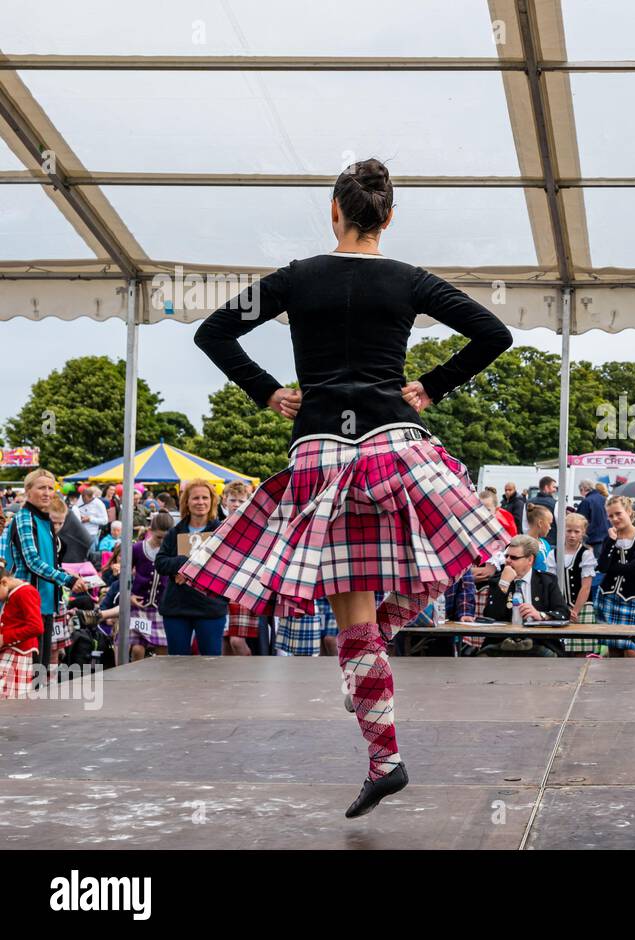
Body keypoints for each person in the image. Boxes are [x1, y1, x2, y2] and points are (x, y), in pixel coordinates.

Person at [176, 157, 512, 817]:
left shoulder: (297, 279)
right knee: (449, 550)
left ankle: (385, 754)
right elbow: (493, 334)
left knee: (350, 617)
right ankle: (379, 659)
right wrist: (432, 385)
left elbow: (212, 332)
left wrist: (268, 391)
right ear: (388, 217)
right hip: (394, 447)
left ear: (333, 212)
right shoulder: (409, 280)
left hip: (323, 455)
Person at [1, 469, 86, 678]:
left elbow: (50, 563)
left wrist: (69, 577)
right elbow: (32, 562)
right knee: (26, 671)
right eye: (41, 488)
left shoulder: (45, 520)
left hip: (45, 603)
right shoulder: (24, 518)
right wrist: (68, 579)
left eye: (50, 488)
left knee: (41, 669)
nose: (47, 492)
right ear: (28, 491)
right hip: (25, 603)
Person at [155, 479, 228, 655]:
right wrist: (182, 564)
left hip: (210, 607)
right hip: (177, 607)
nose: (200, 502)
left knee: (210, 665)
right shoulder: (175, 531)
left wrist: (191, 572)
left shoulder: (221, 532)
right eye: (195, 498)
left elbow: (226, 565)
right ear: (187, 501)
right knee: (178, 664)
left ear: (212, 501)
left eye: (205, 497)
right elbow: (160, 563)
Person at [481, 535, 570, 656]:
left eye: (514, 557)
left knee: (548, 656)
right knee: (484, 656)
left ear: (530, 560)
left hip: (539, 642)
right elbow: (490, 616)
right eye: (506, 556)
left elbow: (563, 612)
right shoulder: (497, 581)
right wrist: (503, 585)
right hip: (502, 642)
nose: (507, 560)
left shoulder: (547, 581)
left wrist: (540, 615)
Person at [594, 495, 635, 657]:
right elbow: (602, 567)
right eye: (611, 515)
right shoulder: (610, 538)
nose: (615, 518)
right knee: (613, 648)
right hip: (606, 597)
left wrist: (613, 567)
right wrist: (612, 541)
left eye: (618, 513)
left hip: (631, 598)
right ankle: (616, 682)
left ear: (628, 511)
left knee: (632, 648)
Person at [218, 483, 261, 656]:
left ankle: (250, 675)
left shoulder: (254, 527)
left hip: (243, 587)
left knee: (237, 640)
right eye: (232, 500)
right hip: (220, 587)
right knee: (224, 641)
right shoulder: (217, 526)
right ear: (225, 501)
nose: (236, 504)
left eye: (240, 501)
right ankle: (229, 681)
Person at [127, 512, 172, 661]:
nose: (163, 541)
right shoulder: (138, 548)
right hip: (139, 606)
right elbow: (124, 575)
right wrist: (129, 595)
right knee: (137, 648)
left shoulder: (172, 551)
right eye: (159, 537)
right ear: (150, 531)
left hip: (162, 607)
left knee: (163, 648)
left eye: (166, 537)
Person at [0, 558, 44, 698]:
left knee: (10, 697)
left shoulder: (25, 592)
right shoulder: (13, 592)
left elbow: (36, 627)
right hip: (11, 650)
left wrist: (5, 638)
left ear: (4, 582)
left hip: (19, 652)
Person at [559, 512, 599, 655]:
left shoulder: (586, 554)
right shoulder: (555, 553)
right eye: (569, 531)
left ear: (583, 532)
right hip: (560, 606)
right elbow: (553, 584)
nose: (572, 535)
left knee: (581, 654)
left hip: (582, 608)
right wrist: (562, 608)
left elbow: (586, 587)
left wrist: (575, 611)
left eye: (577, 531)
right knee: (560, 650)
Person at [576, 480, 610, 562]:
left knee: (592, 568)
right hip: (607, 539)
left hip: (593, 542)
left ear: (583, 489)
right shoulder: (604, 499)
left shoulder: (586, 501)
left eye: (580, 491)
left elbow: (579, 522)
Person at [529, 477, 560, 546]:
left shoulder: (528, 502)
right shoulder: (556, 504)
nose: (555, 490)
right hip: (551, 543)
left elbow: (525, 525)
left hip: (531, 542)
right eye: (554, 487)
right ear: (546, 487)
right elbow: (560, 525)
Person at [525, 504, 556, 572]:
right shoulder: (523, 544)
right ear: (540, 523)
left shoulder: (545, 543)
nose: (550, 528)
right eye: (549, 524)